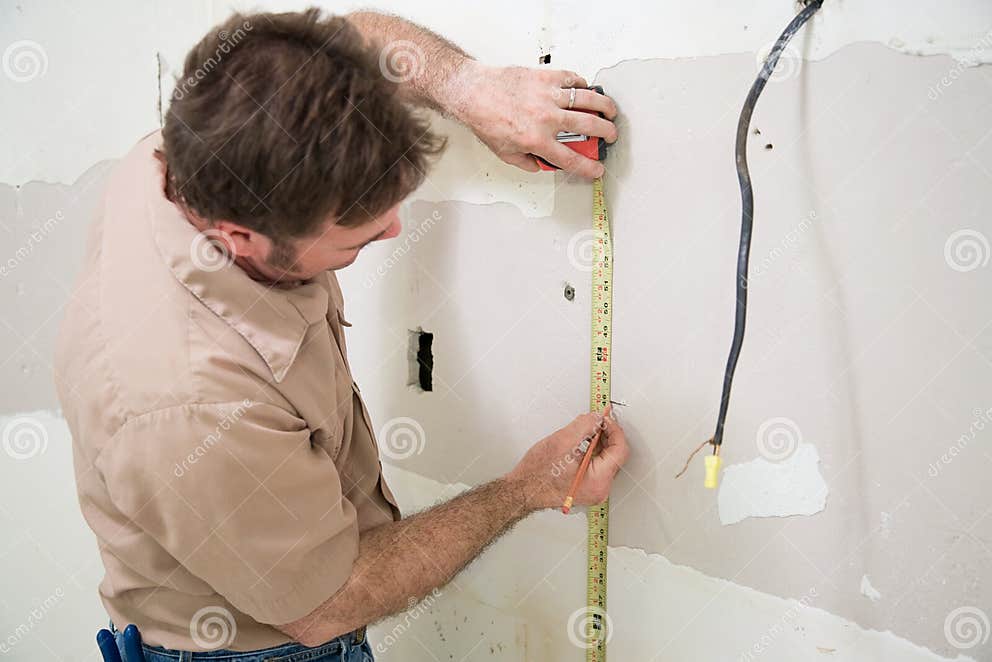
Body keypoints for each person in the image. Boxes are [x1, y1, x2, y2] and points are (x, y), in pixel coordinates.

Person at [55, 8, 627, 661]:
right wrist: (527, 487)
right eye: (357, 237)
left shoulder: (193, 146)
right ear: (243, 239)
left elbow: (353, 41)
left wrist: (470, 89)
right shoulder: (192, 408)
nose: (390, 231)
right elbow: (332, 602)